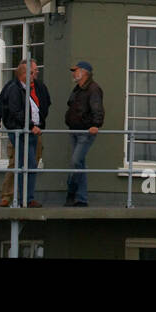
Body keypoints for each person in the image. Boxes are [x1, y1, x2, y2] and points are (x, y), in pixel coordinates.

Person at [0, 59, 51, 207]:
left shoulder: (39, 87)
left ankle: (26, 197)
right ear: (25, 72)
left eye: (35, 71)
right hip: (19, 130)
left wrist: (39, 122)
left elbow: (46, 103)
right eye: (33, 71)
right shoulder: (12, 87)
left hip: (35, 130)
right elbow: (8, 107)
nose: (36, 73)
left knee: (32, 162)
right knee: (17, 163)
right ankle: (9, 196)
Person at [64, 60, 104, 207]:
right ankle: (81, 199)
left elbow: (97, 108)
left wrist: (95, 125)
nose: (74, 73)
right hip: (74, 130)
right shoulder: (77, 89)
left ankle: (72, 191)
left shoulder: (93, 89)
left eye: (76, 71)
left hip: (85, 132)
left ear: (84, 72)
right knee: (79, 164)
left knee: (75, 162)